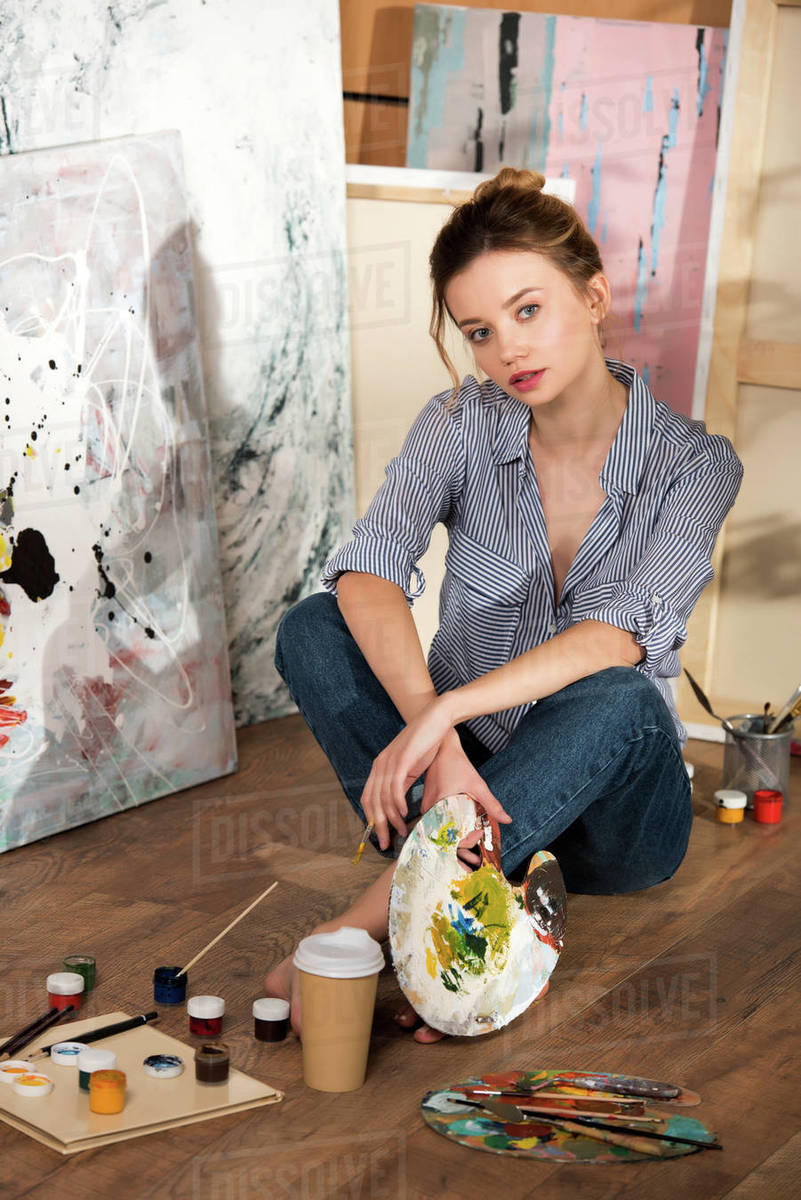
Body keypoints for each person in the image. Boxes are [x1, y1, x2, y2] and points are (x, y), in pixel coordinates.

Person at [264, 166, 743, 1042]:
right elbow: (369, 570)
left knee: (622, 696)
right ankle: (464, 905)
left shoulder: (695, 465)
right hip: (457, 776)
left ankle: (366, 926)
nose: (507, 351)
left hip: (612, 828)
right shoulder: (458, 424)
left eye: (528, 311)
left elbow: (618, 637)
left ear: (593, 296)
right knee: (313, 624)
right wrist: (437, 734)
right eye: (480, 331)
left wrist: (445, 709)